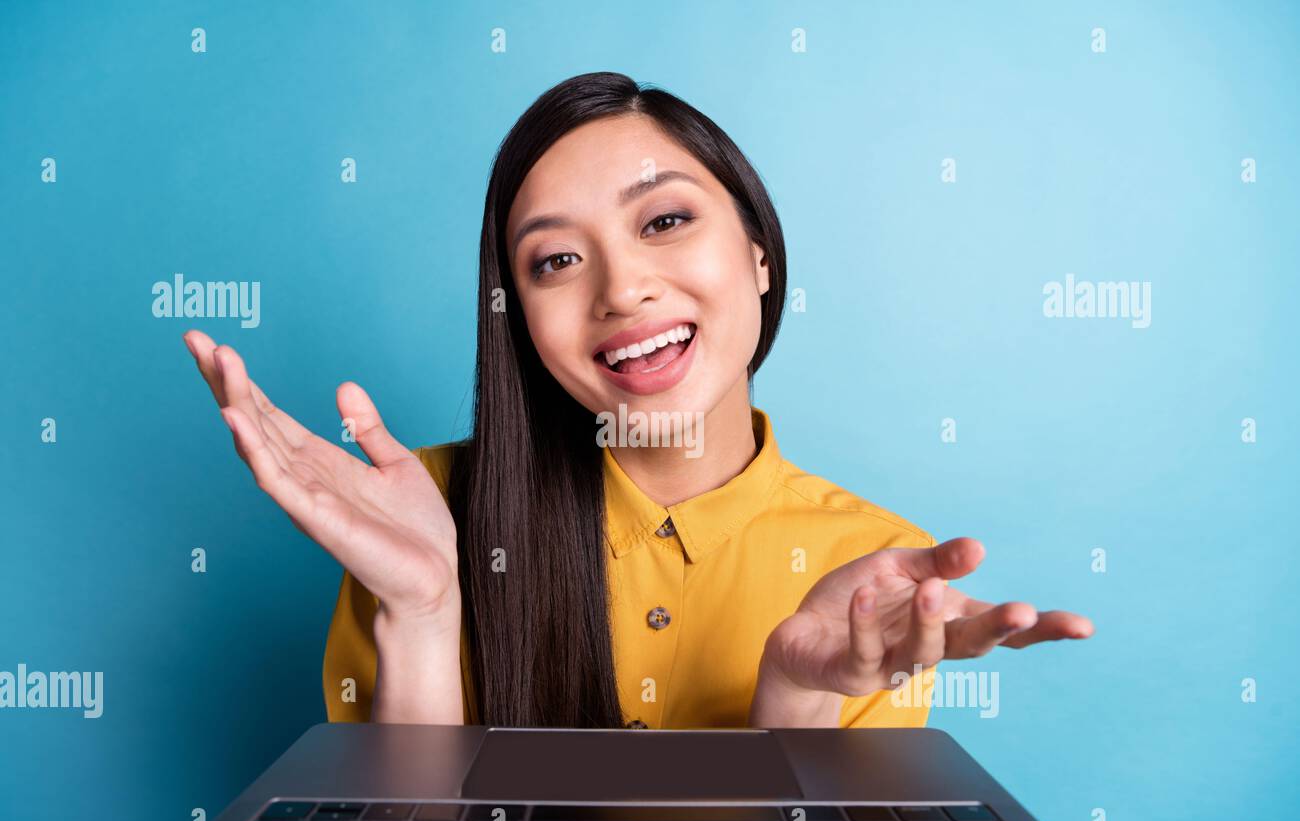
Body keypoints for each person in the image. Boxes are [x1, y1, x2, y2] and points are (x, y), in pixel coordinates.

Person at [182, 72, 1094, 731]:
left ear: (758, 252)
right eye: (555, 261)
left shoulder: (872, 572)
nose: (621, 290)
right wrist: (421, 617)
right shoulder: (409, 511)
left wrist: (794, 704)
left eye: (664, 221)